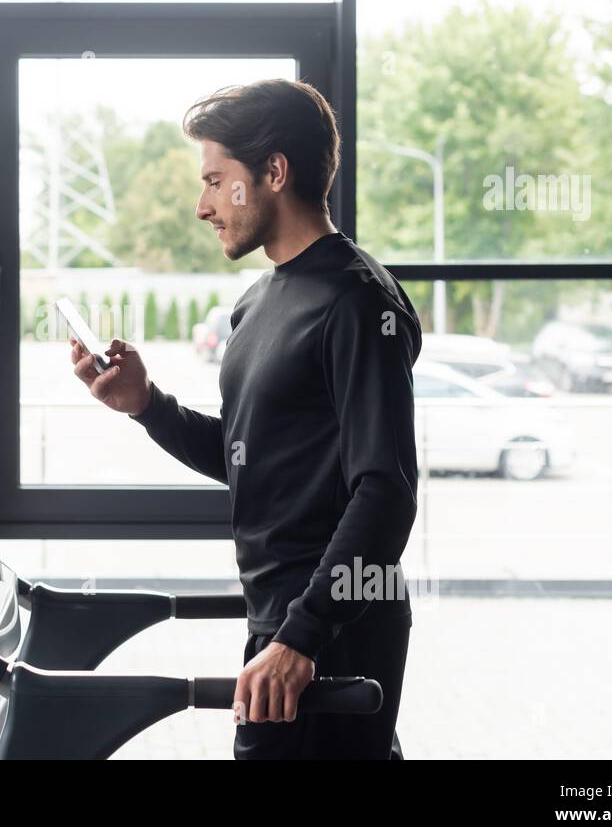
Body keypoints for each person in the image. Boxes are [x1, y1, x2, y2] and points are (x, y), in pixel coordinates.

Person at [68, 78, 421, 759]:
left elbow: (386, 489)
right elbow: (247, 454)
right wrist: (146, 404)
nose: (201, 205)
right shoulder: (256, 303)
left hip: (331, 631)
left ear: (274, 172)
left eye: (214, 180)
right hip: (284, 624)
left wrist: (305, 635)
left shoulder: (356, 301)